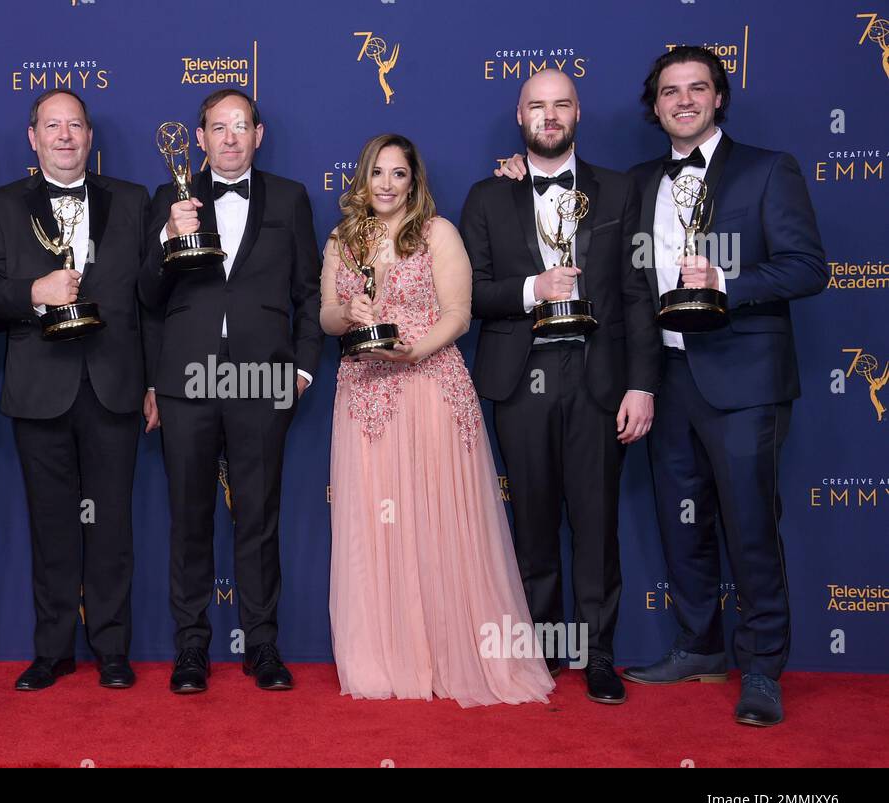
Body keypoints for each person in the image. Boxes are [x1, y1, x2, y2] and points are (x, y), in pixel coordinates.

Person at [620, 47, 825, 726]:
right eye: (670, 91)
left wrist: (727, 284)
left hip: (744, 380)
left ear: (718, 97)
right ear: (655, 106)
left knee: (750, 528)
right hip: (670, 380)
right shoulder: (639, 181)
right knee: (684, 527)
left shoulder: (769, 170)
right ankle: (699, 646)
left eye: (697, 88)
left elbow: (806, 267)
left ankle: (762, 668)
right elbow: (628, 285)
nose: (683, 100)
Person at [321, 133, 553, 705]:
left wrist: (415, 351)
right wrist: (349, 313)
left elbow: (458, 314)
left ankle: (454, 655)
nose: (387, 184)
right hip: (364, 394)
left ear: (414, 181)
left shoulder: (438, 233)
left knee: (438, 521)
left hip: (429, 387)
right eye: (378, 172)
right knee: (374, 528)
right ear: (363, 176)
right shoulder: (340, 239)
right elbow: (326, 317)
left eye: (399, 174)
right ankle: (386, 656)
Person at [460, 70, 661, 705]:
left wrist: (642, 384)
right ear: (518, 116)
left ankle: (599, 655)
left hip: (598, 378)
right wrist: (532, 291)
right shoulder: (488, 196)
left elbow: (638, 291)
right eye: (537, 106)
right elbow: (470, 293)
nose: (550, 117)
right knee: (534, 522)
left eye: (561, 105)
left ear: (579, 113)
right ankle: (542, 654)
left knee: (597, 523)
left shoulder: (620, 190)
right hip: (520, 379)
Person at [140, 88, 322, 694]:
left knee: (260, 518)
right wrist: (169, 238)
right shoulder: (171, 197)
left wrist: (301, 371)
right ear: (200, 139)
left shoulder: (292, 198)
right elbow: (145, 297)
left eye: (241, 126)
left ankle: (262, 646)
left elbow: (309, 293)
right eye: (218, 128)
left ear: (259, 135)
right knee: (189, 519)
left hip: (264, 380)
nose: (230, 137)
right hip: (187, 382)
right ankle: (191, 647)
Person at [0, 88, 151, 691]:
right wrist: (34, 292)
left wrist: (152, 382)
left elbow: (149, 302)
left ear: (90, 137)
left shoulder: (132, 201)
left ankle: (112, 648)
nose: (65, 136)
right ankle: (52, 651)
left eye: (75, 126)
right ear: (33, 137)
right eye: (53, 126)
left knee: (112, 528)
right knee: (50, 526)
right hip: (39, 390)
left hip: (114, 386)